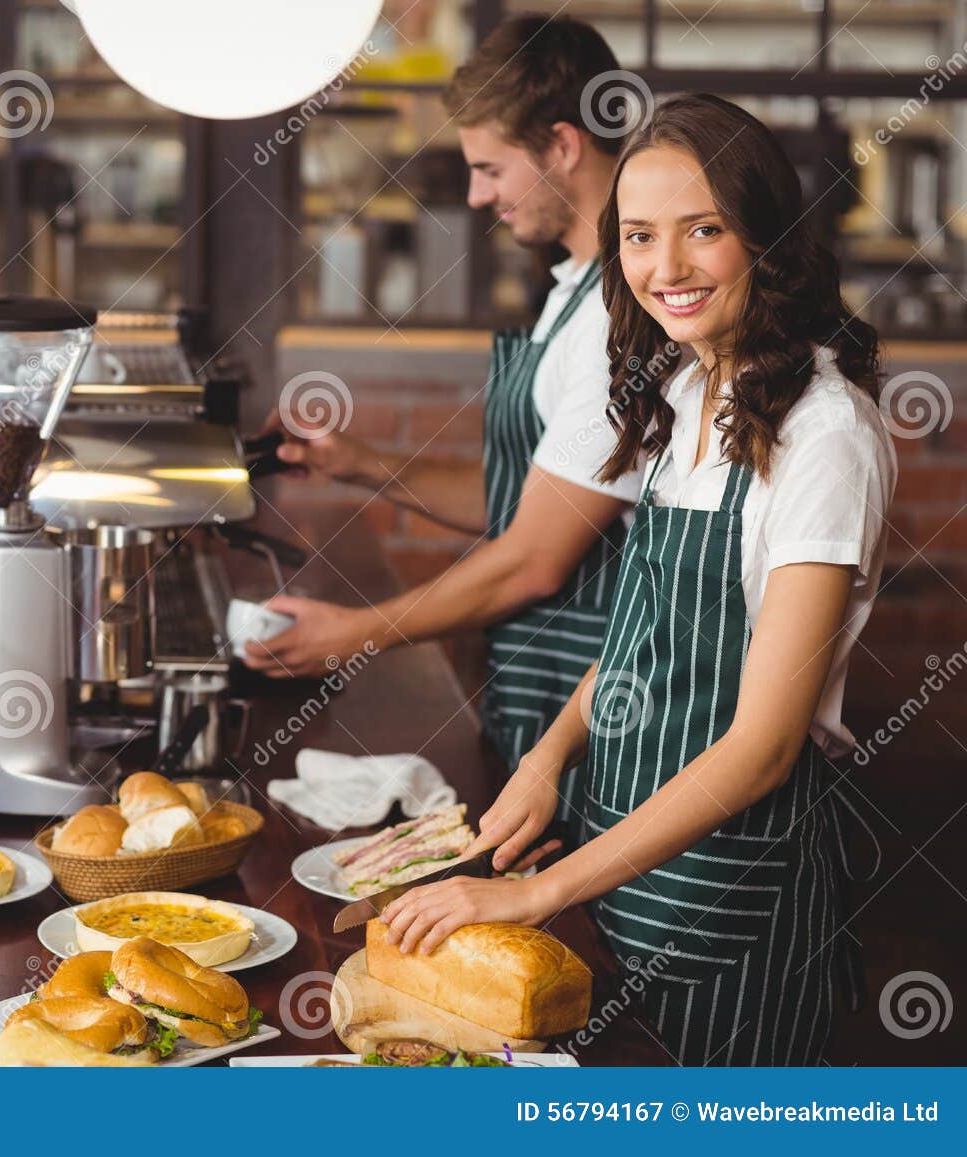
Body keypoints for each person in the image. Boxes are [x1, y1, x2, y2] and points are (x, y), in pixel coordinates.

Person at [380, 94, 893, 1066]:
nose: (666, 268)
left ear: (766, 236)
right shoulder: (683, 390)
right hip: (616, 868)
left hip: (733, 892)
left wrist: (540, 890)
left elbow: (763, 746)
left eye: (704, 230)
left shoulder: (826, 434)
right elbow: (639, 640)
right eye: (639, 236)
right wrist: (548, 758)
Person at [246, 16, 643, 823]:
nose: (477, 196)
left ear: (564, 145)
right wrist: (360, 463)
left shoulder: (619, 315)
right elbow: (531, 498)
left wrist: (351, 632)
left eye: (491, 168)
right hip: (541, 688)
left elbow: (533, 558)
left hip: (603, 710)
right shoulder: (573, 289)